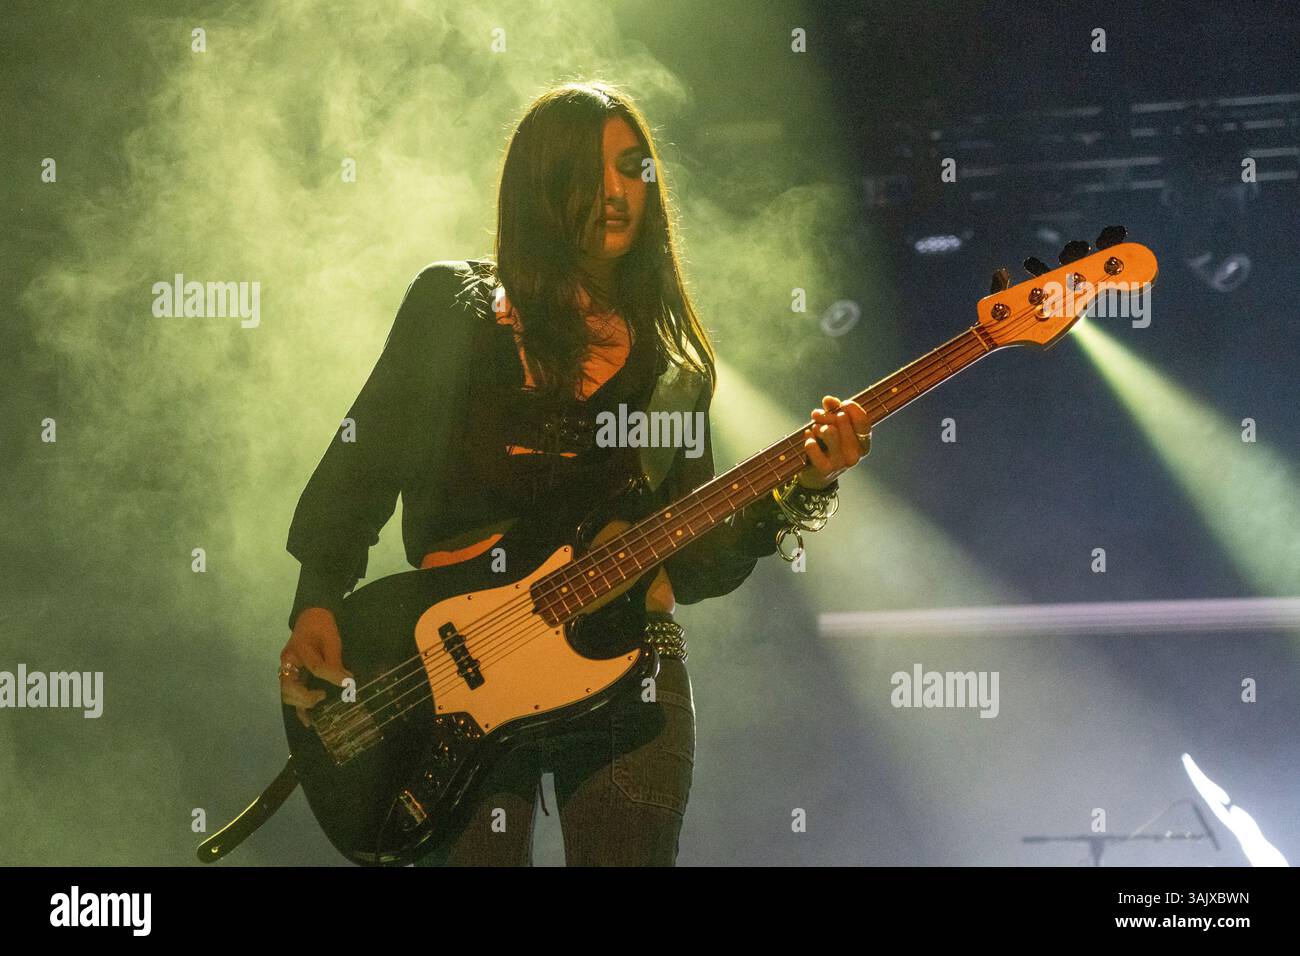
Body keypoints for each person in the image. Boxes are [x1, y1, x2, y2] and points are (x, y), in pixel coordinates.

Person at [277, 81, 872, 866]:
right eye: (591, 171)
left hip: (629, 674)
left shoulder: (674, 367)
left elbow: (691, 560)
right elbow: (365, 454)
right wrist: (317, 595)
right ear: (539, 182)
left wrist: (802, 488)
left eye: (633, 168)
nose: (618, 191)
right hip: (457, 672)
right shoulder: (452, 307)